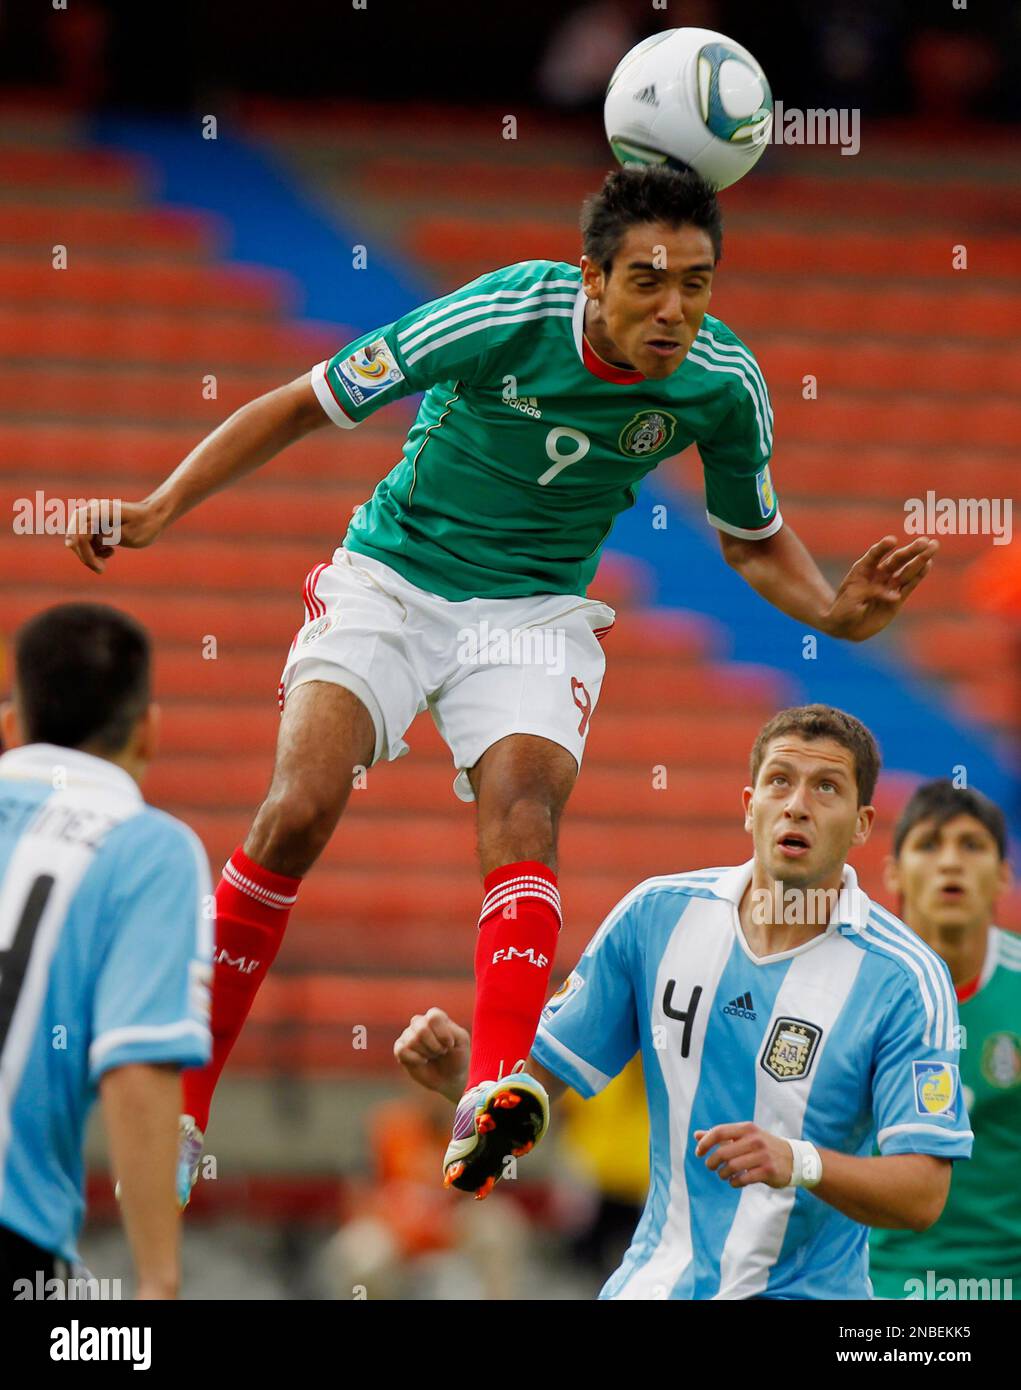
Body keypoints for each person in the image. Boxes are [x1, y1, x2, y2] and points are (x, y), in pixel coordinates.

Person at [65, 166, 937, 1199]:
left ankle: (490, 1094)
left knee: (524, 812)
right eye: (648, 282)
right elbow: (306, 402)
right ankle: (186, 1107)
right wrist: (162, 507)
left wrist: (833, 611)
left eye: (697, 285)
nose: (674, 310)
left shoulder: (720, 382)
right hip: (393, 579)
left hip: (532, 613)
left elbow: (750, 539)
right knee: (296, 809)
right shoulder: (503, 313)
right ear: (592, 276)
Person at [396, 705, 973, 1299]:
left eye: (826, 787)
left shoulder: (904, 979)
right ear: (750, 806)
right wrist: (469, 1080)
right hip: (656, 1282)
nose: (797, 804)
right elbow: (537, 1090)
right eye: (780, 781)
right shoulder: (656, 916)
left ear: (862, 823)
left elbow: (923, 1193)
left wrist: (798, 1161)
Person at [0, 604, 212, 1299]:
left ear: (12, 726)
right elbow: (137, 1063)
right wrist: (157, 1281)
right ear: (149, 732)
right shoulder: (147, 850)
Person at [869, 780, 1020, 1300]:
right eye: (929, 844)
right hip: (870, 1293)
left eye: (972, 845)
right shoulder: (847, 988)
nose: (950, 862)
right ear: (894, 873)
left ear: (1004, 874)